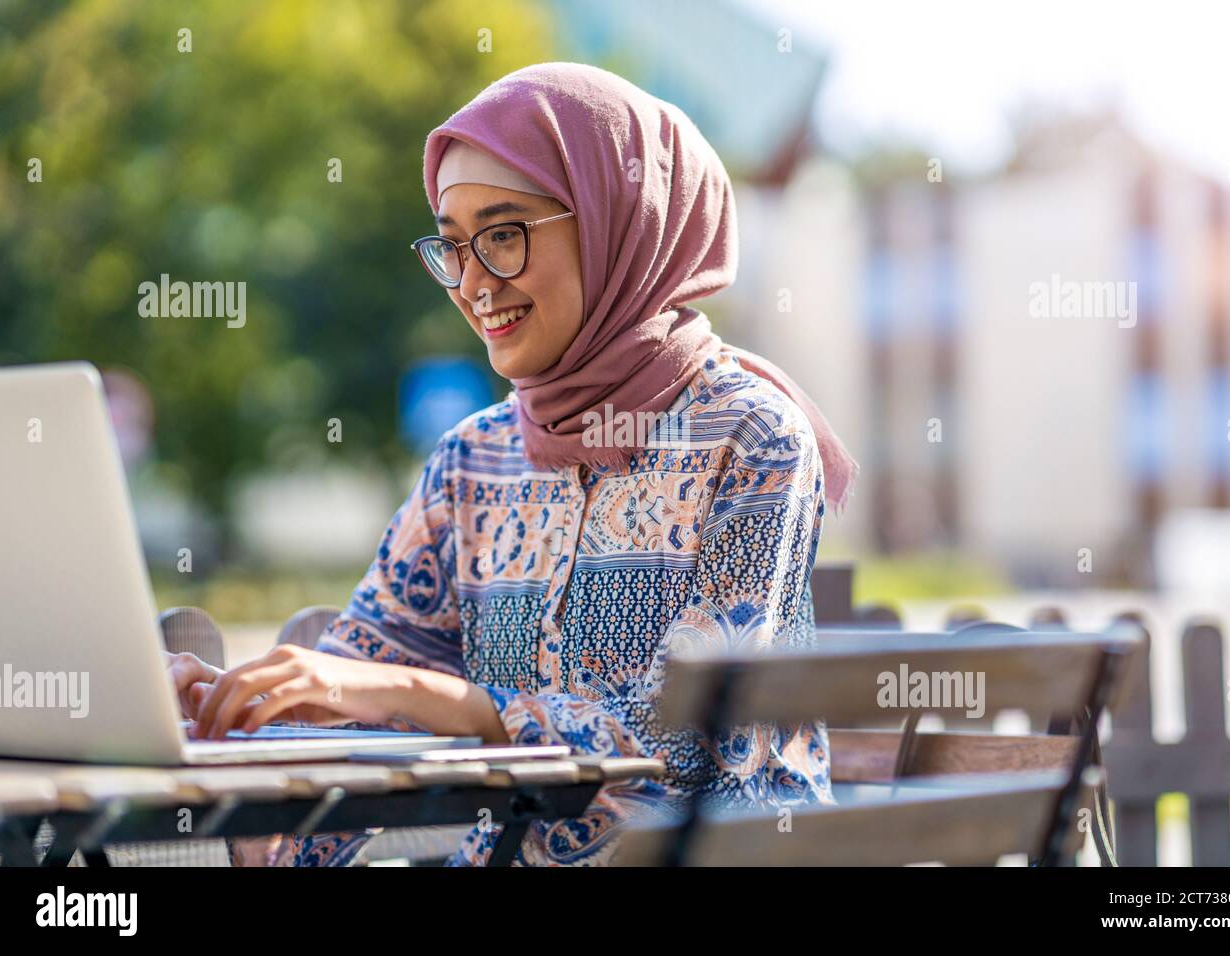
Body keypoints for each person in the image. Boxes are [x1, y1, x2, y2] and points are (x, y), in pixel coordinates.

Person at [164, 61, 858, 866]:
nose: (472, 284)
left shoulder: (750, 434)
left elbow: (694, 730)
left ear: (614, 220)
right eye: (454, 246)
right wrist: (231, 704)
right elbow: (365, 672)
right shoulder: (472, 460)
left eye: (502, 234)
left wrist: (443, 701)